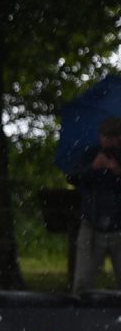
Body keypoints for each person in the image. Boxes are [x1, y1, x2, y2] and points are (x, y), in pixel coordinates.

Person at [69, 116, 121, 292]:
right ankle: (82, 308)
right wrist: (92, 168)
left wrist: (117, 171)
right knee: (82, 283)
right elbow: (72, 178)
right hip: (92, 225)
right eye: (105, 136)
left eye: (112, 136)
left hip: (118, 228)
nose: (108, 141)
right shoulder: (91, 154)